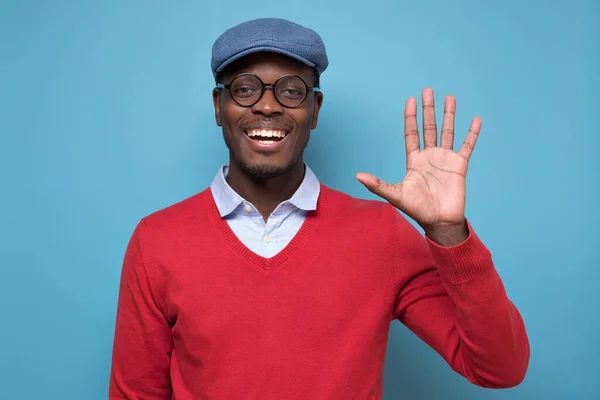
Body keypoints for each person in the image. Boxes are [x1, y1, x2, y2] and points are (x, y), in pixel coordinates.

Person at [109, 17, 530, 400]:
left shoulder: (381, 235)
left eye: (291, 91)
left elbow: (499, 369)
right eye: (245, 88)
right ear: (219, 106)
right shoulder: (158, 241)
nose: (268, 105)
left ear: (314, 109)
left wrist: (448, 233)